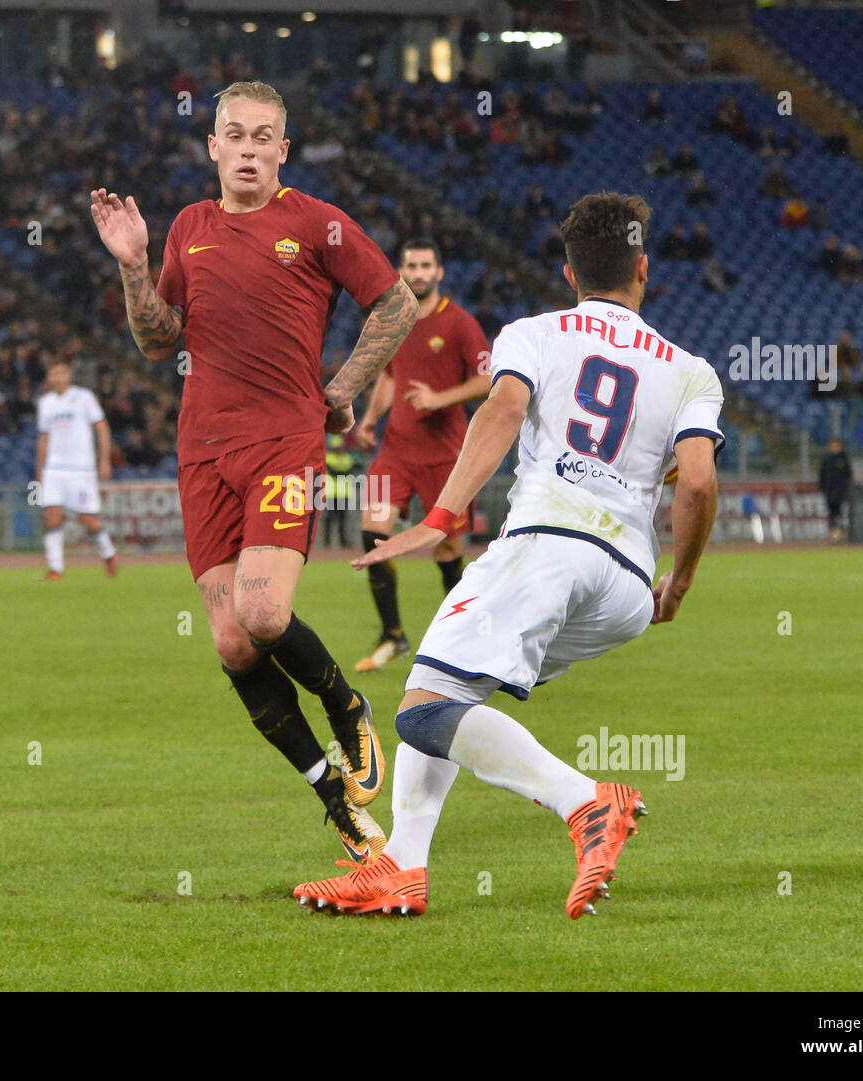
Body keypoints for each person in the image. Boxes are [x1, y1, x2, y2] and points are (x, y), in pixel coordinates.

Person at [293, 191, 723, 919]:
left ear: (568, 273)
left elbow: (501, 408)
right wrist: (677, 582)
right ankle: (403, 864)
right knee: (442, 678)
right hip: (625, 589)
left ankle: (586, 800)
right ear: (643, 269)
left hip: (547, 547)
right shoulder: (691, 369)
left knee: (424, 711)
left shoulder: (536, 331)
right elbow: (700, 480)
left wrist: (439, 517)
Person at [88, 81, 417, 862]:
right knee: (234, 642)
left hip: (282, 440)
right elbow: (157, 340)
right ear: (211, 146)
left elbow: (396, 303)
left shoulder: (315, 222)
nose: (245, 147)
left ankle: (348, 705)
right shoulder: (188, 230)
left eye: (261, 136)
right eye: (232, 134)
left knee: (264, 613)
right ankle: (334, 799)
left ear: (281, 150)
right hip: (202, 450)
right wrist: (134, 265)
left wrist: (340, 389)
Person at [346, 238, 492, 673]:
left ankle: (460, 643)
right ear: (402, 270)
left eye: (427, 265)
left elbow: (488, 380)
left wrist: (440, 398)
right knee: (373, 532)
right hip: (396, 450)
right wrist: (371, 418)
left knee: (447, 553)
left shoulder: (461, 323)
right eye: (412, 265)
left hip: (447, 458)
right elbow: (390, 374)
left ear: (440, 272)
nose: (420, 272)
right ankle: (393, 635)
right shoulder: (396, 319)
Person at [35, 360, 118, 579]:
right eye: (53, 374)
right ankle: (55, 568)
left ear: (69, 376)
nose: (57, 377)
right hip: (54, 468)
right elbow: (43, 438)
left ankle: (108, 554)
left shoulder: (84, 398)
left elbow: (101, 428)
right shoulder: (45, 403)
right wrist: (40, 469)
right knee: (52, 516)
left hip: (81, 469)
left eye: (61, 373)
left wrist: (104, 460)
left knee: (86, 517)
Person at [818, 439, 852, 543]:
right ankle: (834, 535)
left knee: (840, 514)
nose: (834, 448)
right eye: (832, 446)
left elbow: (848, 475)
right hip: (830, 491)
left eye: (836, 445)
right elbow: (822, 476)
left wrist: (846, 489)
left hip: (840, 491)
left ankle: (840, 534)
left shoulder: (844, 459)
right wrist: (823, 489)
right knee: (832, 514)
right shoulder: (827, 460)